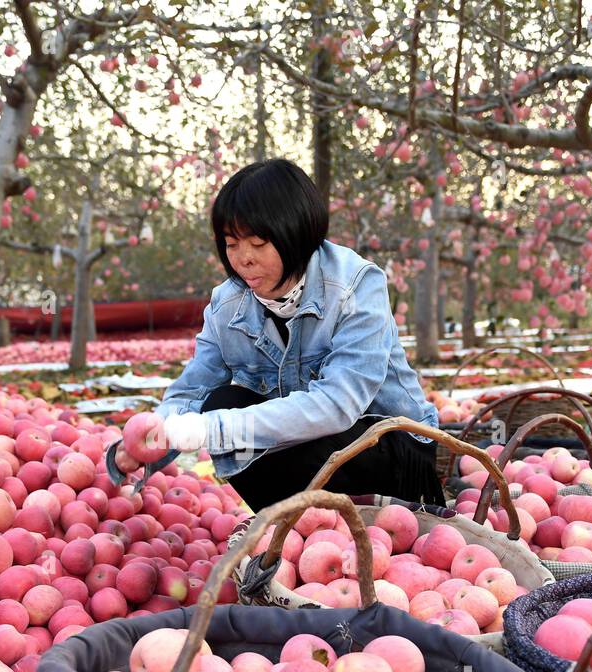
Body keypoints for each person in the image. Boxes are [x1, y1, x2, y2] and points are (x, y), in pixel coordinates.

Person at [115, 158, 443, 513]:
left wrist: (210, 429)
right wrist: (150, 441)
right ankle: (300, 530)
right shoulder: (228, 305)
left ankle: (359, 521)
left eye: (257, 243)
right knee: (221, 402)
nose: (243, 260)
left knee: (238, 426)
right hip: (309, 450)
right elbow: (192, 390)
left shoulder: (355, 286)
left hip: (392, 453)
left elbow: (337, 404)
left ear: (296, 233)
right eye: (232, 244)